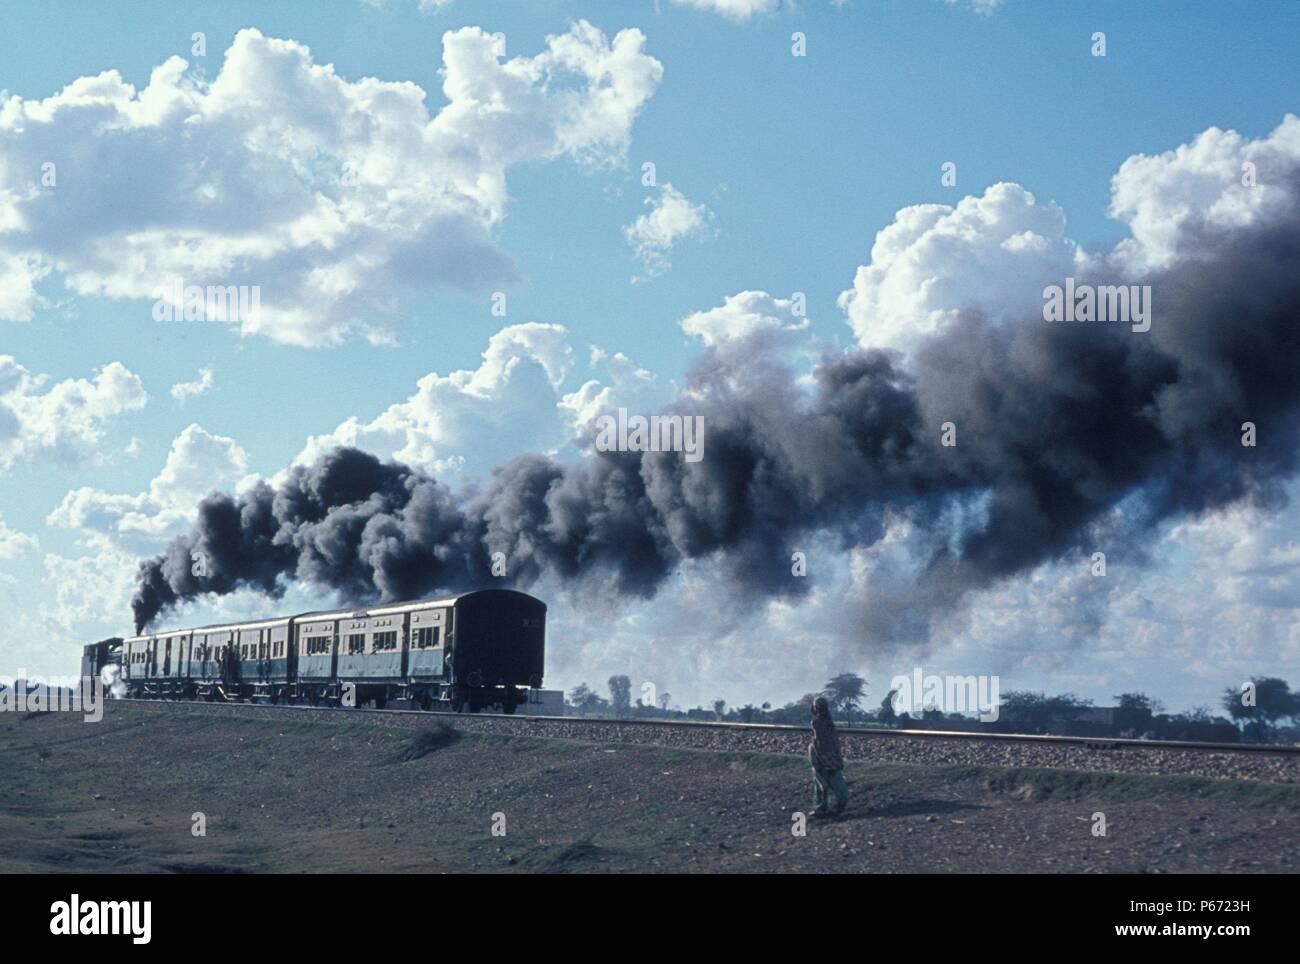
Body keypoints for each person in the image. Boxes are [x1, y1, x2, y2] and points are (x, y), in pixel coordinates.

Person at [809, 695, 849, 817]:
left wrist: (816, 755)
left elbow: (818, 740)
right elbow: (834, 741)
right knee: (836, 779)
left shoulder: (816, 722)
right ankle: (840, 802)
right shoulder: (830, 722)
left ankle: (821, 807)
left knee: (820, 781)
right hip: (832, 755)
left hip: (822, 754)